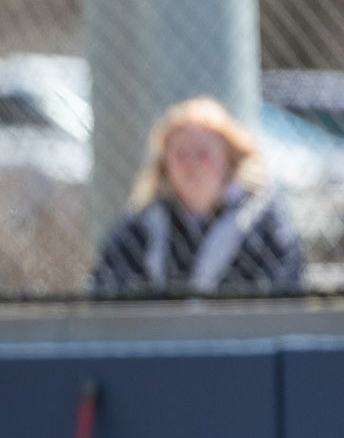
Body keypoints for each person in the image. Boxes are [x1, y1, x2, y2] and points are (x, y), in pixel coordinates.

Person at [91, 96, 305, 299]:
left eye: (203, 154)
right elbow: (107, 290)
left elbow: (282, 296)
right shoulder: (140, 224)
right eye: (180, 154)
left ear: (229, 159)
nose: (190, 165)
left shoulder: (265, 222)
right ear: (165, 163)